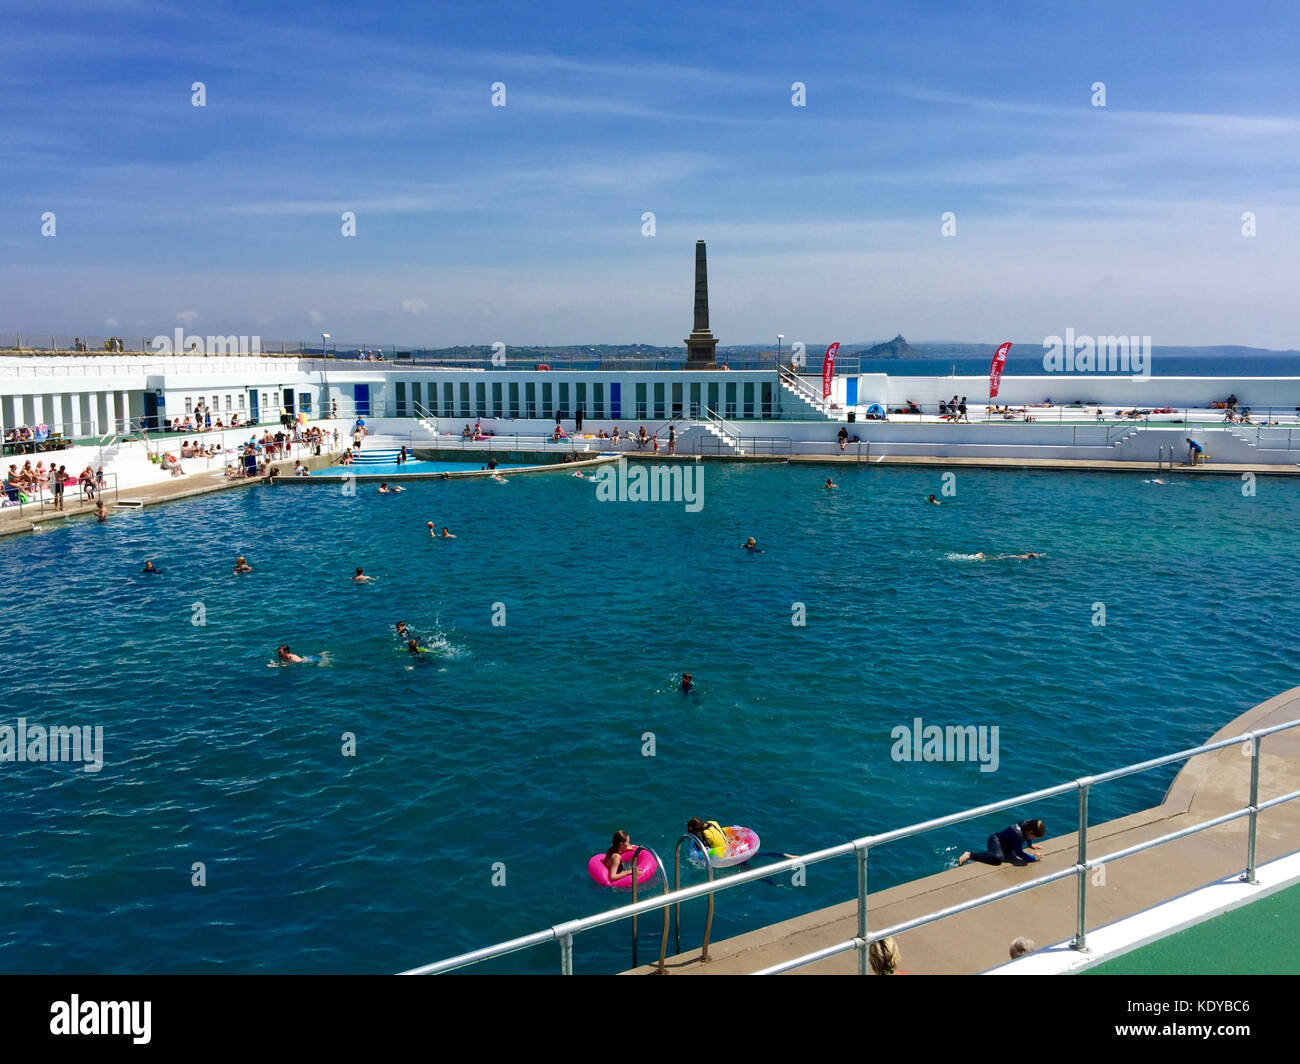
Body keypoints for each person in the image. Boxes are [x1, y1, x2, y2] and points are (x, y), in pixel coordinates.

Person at [958, 818, 1046, 866]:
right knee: (998, 859)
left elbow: (1027, 836)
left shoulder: (1028, 824)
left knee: (1010, 856)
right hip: (995, 841)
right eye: (1035, 837)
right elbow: (1019, 853)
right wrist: (1033, 858)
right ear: (1031, 832)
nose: (1035, 838)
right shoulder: (1018, 834)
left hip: (1006, 846)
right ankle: (970, 855)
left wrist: (1031, 845)